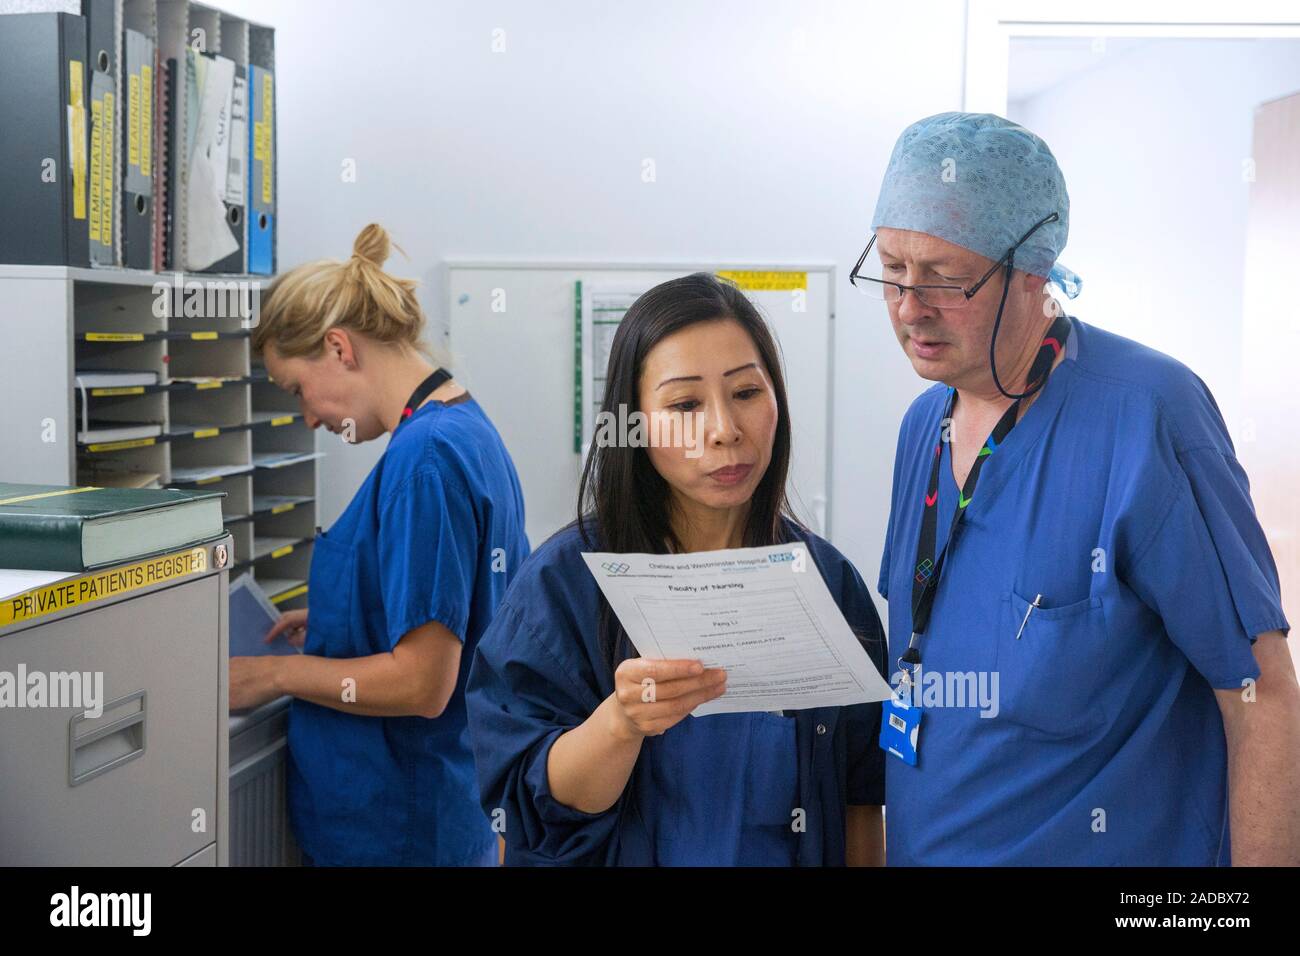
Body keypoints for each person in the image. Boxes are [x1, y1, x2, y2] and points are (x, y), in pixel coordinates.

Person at [855, 111, 1300, 865]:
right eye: (892, 270)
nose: (908, 307)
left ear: (1031, 270)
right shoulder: (921, 427)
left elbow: (1262, 698)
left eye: (943, 279)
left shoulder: (1146, 416)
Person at [465, 272, 886, 866]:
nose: (724, 430)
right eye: (685, 404)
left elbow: (860, 799)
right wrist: (619, 725)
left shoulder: (827, 583)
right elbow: (527, 810)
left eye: (745, 392)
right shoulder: (563, 585)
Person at [229, 223, 529, 866]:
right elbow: (464, 609)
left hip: (402, 828)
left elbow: (423, 683)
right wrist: (352, 615)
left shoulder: (425, 460)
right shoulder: (463, 428)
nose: (308, 417)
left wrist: (270, 675)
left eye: (296, 390)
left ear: (339, 348)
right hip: (435, 811)